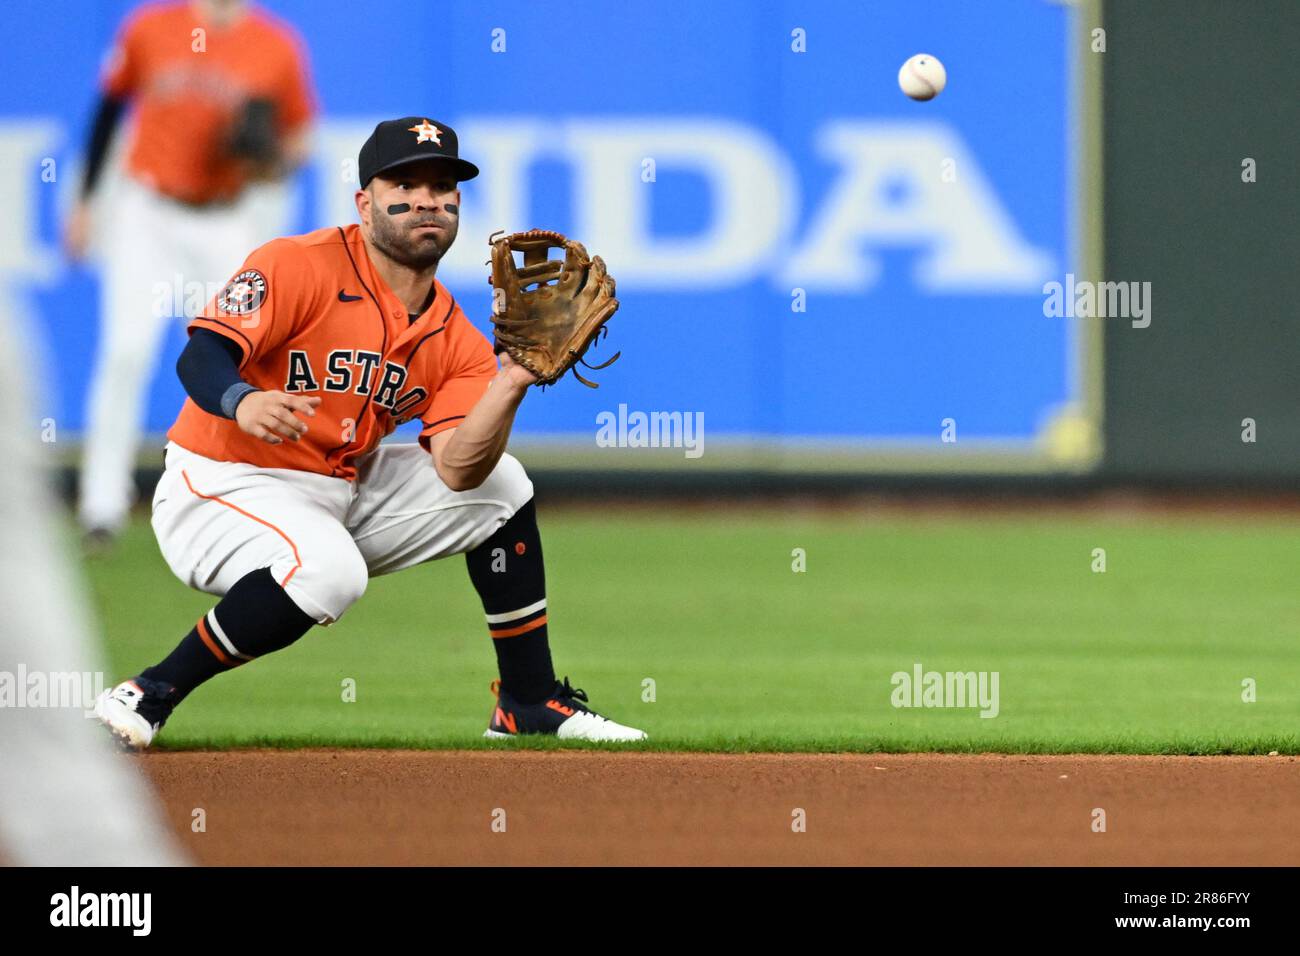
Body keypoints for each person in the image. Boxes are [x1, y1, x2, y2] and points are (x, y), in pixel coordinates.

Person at [93, 116, 647, 746]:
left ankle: (527, 700)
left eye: (441, 188)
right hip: (219, 486)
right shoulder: (296, 264)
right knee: (331, 572)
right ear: (365, 202)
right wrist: (241, 399)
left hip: (334, 492)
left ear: (458, 206)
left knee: (503, 486)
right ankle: (151, 690)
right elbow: (201, 355)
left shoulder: (456, 339)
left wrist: (511, 380)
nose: (424, 202)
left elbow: (461, 472)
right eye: (403, 186)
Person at [65, 0, 316, 548]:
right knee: (126, 352)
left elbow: (300, 139)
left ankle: (241, 502)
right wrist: (85, 202)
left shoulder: (276, 45)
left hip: (225, 218)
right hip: (146, 212)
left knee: (240, 356)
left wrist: (271, 159)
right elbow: (109, 110)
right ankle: (101, 506)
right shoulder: (151, 27)